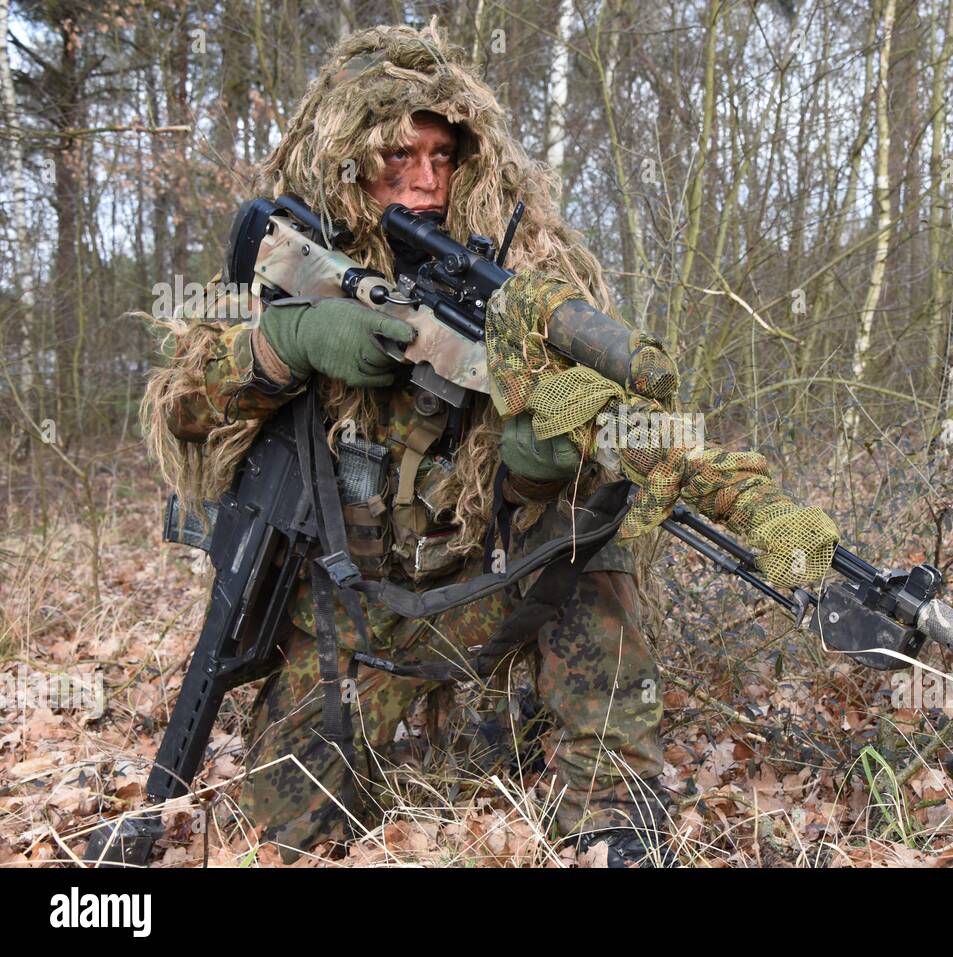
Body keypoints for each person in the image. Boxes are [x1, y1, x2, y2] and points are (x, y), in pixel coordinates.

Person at [144, 20, 670, 866]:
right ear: (348, 159)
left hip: (480, 588)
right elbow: (180, 409)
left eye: (442, 157)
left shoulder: (525, 265)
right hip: (347, 612)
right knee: (285, 826)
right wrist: (290, 345)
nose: (424, 184)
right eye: (398, 159)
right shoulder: (295, 255)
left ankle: (610, 805)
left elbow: (589, 436)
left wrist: (539, 472)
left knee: (600, 524)